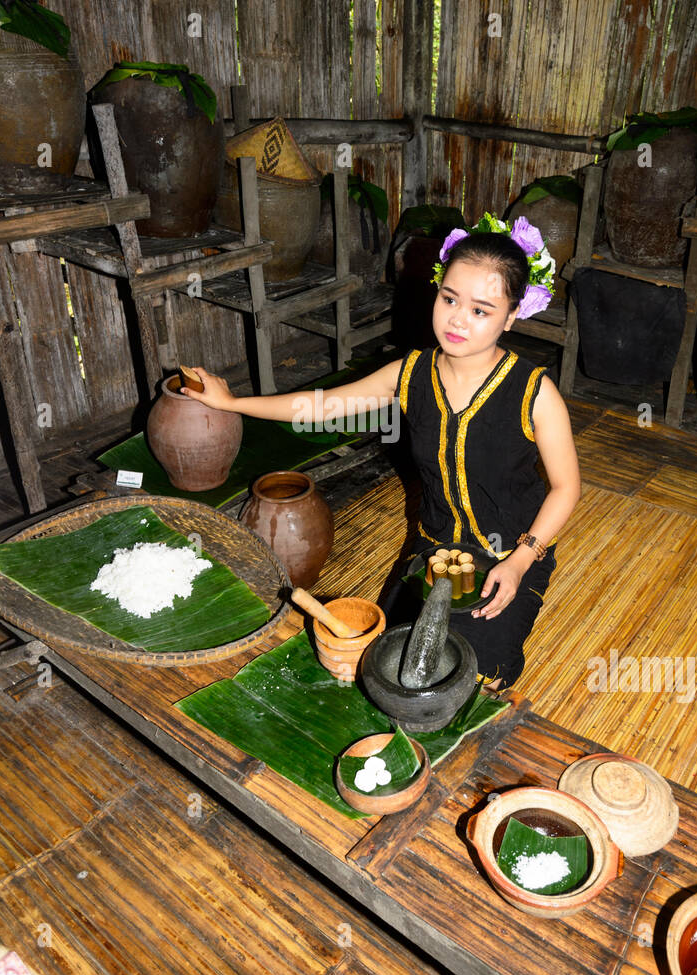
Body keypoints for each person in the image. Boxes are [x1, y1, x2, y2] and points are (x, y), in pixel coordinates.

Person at [182, 219, 581, 691]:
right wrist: (232, 403)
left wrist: (521, 560)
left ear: (511, 317)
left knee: (471, 676)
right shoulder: (409, 374)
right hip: (435, 550)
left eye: (481, 310)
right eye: (449, 298)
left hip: (512, 550)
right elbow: (321, 406)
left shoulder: (534, 392)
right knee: (386, 662)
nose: (457, 319)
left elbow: (566, 487)